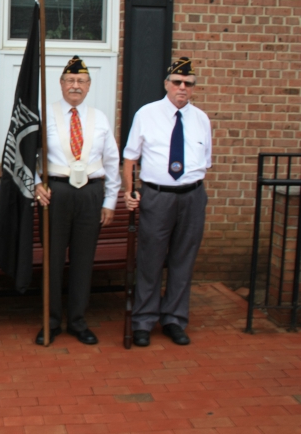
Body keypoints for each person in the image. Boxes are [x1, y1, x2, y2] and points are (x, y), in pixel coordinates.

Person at [123, 56, 212, 347]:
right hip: (157, 197)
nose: (182, 88)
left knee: (183, 261)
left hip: (192, 196)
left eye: (188, 83)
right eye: (177, 82)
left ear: (194, 88)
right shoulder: (146, 114)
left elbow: (204, 162)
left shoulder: (201, 119)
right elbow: (129, 158)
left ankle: (174, 319)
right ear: (166, 84)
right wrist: (129, 190)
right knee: (149, 260)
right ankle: (143, 321)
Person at [33, 56, 121, 345]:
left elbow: (111, 161)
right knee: (53, 260)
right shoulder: (45, 115)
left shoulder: (100, 118)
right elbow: (29, 157)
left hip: (90, 194)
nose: (75, 85)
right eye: (70, 80)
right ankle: (51, 320)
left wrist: (109, 201)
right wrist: (35, 185)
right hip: (56, 193)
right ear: (60, 84)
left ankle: (79, 321)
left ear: (89, 86)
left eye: (81, 81)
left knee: (83, 261)